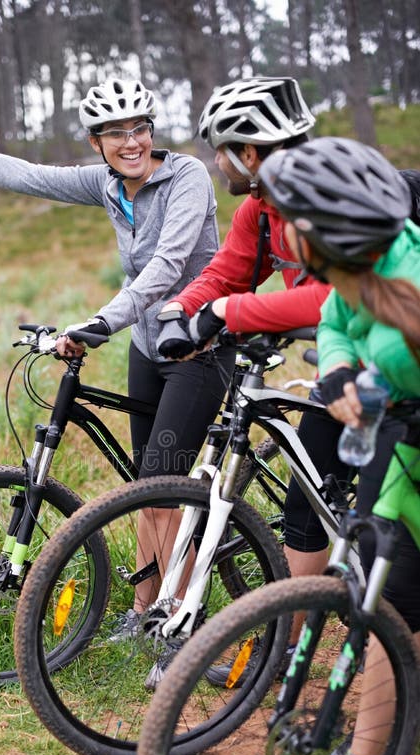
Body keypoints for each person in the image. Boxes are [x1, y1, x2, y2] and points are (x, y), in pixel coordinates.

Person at [0, 78, 235, 685]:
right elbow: (26, 174)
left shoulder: (186, 177)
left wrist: (100, 322)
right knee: (145, 485)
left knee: (164, 486)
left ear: (152, 132)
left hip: (198, 349)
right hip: (146, 346)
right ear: (97, 142)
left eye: (140, 129)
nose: (131, 142)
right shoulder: (107, 185)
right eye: (116, 133)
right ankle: (143, 612)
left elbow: (165, 267)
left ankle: (184, 630)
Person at [258, 135, 420, 755]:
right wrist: (333, 371)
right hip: (404, 455)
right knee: (390, 602)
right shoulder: (359, 269)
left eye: (288, 218)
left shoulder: (408, 273)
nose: (279, 229)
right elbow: (332, 323)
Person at [155, 76, 332, 658]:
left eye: (220, 148)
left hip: (396, 359)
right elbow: (228, 272)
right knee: (307, 506)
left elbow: (339, 299)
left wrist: (230, 312)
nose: (215, 161)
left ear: (250, 153)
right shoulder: (260, 209)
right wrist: (183, 307)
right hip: (348, 361)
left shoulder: (327, 198)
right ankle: (293, 646)